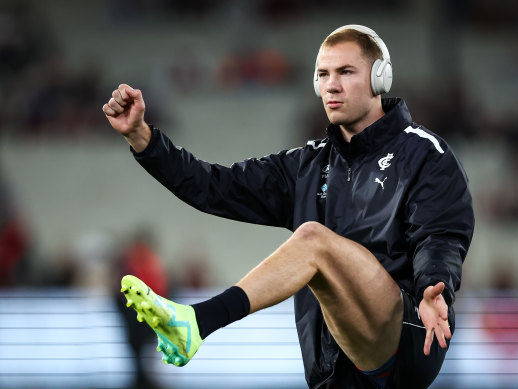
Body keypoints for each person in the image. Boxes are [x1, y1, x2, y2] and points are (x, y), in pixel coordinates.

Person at [103, 25, 474, 389]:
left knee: (313, 238)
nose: (331, 84)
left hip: (410, 334)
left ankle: (197, 323)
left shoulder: (424, 152)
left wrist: (434, 286)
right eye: (323, 74)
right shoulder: (305, 166)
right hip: (334, 369)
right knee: (315, 242)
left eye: (346, 72)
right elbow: (212, 187)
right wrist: (142, 138)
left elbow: (440, 235)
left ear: (380, 78)